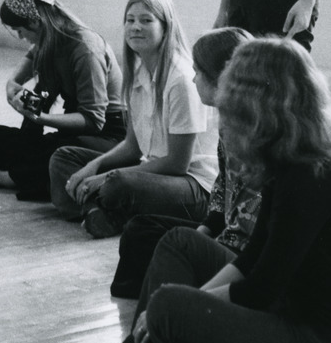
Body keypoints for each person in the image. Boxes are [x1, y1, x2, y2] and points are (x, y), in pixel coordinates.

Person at [89, 38, 331, 343]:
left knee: (168, 305)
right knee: (180, 243)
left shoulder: (308, 178)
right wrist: (178, 307)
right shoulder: (289, 164)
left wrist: (175, 307)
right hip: (287, 317)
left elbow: (259, 288)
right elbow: (249, 260)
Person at [49, 0, 217, 239]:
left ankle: (100, 210)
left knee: (117, 185)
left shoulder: (180, 78)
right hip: (152, 170)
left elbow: (177, 163)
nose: (135, 27)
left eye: (146, 20)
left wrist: (107, 176)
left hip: (192, 184)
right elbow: (132, 146)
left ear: (166, 26)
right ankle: (99, 212)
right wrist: (94, 166)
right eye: (130, 20)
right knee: (64, 158)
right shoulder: (139, 72)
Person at [110, 26, 256, 297]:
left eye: (199, 73)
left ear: (221, 77)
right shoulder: (226, 124)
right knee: (141, 229)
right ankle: (143, 299)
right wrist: (205, 231)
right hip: (226, 233)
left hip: (243, 251)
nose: (193, 80)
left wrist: (202, 246)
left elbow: (252, 236)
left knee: (177, 243)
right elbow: (222, 191)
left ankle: (162, 306)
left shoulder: (256, 136)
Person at [0, 0, 126, 201]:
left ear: (35, 22)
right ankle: (32, 177)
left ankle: (2, 177)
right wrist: (12, 84)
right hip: (73, 133)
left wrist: (41, 118)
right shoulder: (48, 38)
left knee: (55, 154)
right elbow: (29, 60)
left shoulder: (85, 49)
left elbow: (94, 121)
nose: (19, 37)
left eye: (19, 30)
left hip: (107, 137)